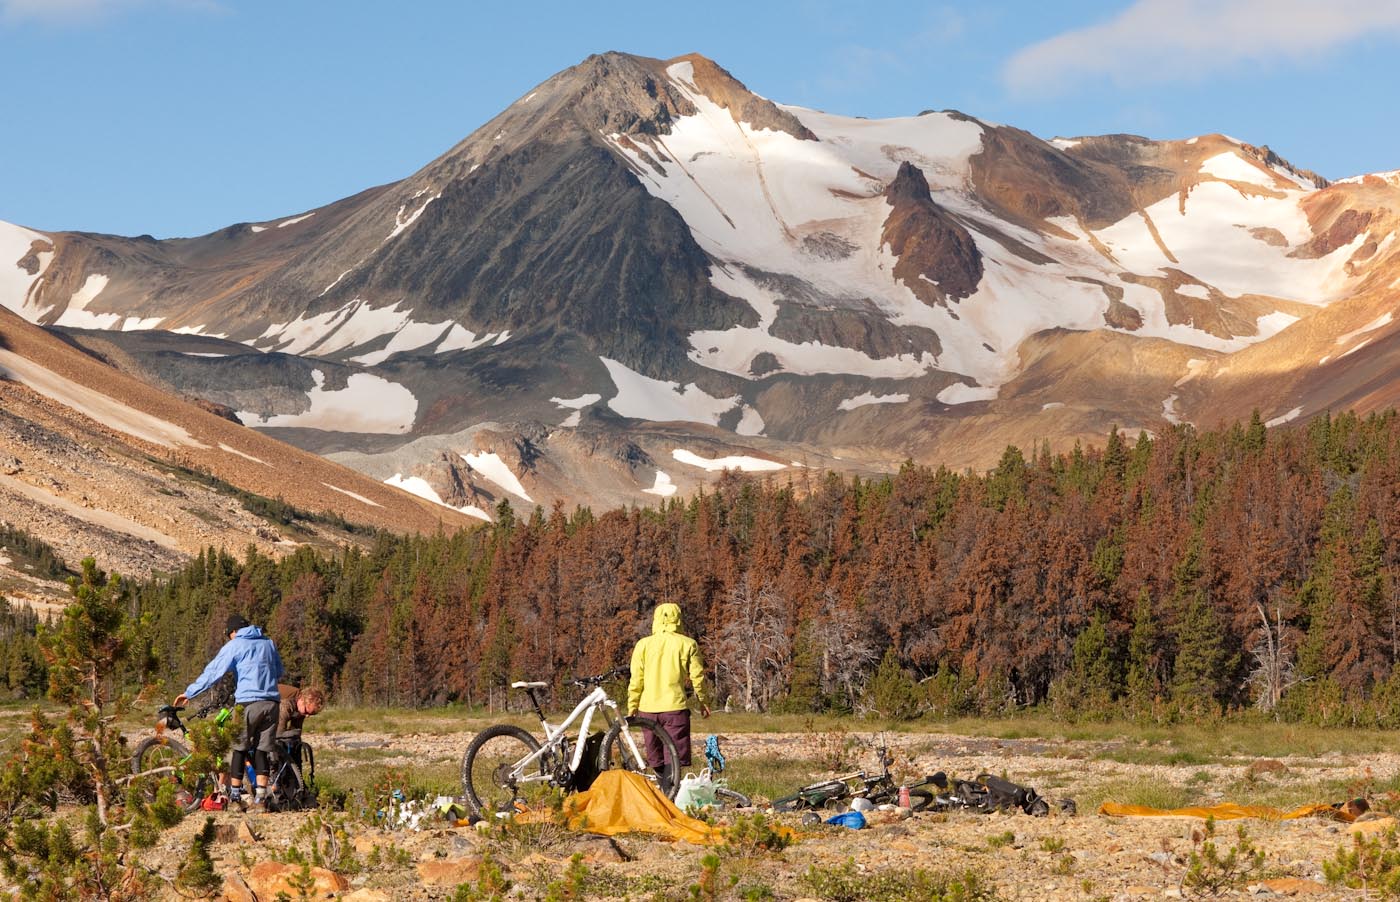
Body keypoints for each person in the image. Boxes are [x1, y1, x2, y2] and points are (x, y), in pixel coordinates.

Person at [173, 613, 284, 807]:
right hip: (271, 703)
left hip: (248, 703)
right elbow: (279, 671)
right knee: (262, 750)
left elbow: (214, 672)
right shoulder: (269, 643)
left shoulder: (236, 644)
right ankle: (260, 799)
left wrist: (190, 693)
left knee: (239, 748)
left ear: (233, 632)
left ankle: (234, 797)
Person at [627, 602, 710, 768]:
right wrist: (703, 701)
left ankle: (661, 789)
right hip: (674, 709)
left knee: (655, 760)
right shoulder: (688, 644)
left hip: (647, 710)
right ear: (678, 619)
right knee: (674, 761)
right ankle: (671, 790)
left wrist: (632, 705)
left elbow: (636, 679)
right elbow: (697, 677)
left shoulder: (643, 645)